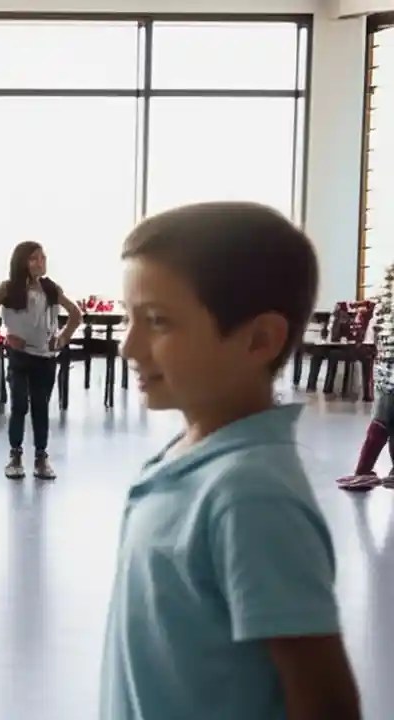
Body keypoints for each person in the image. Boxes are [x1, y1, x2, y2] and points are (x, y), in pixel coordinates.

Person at [101, 202, 361, 720]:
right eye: (128, 317)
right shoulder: (189, 459)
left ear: (260, 339)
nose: (128, 345)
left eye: (156, 321)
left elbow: (324, 698)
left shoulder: (250, 495)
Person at [0, 241, 81, 480]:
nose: (40, 262)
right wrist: (3, 338)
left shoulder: (51, 289)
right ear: (22, 261)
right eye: (34, 258)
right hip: (19, 357)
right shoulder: (8, 288)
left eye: (42, 257)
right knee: (19, 405)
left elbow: (76, 315)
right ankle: (15, 455)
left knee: (41, 408)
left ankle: (41, 458)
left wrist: (62, 339)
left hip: (46, 357)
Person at [336, 261, 394, 491]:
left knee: (384, 419)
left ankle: (364, 471)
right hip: (388, 363)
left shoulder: (387, 291)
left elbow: (379, 327)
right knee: (384, 419)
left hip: (385, 362)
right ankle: (364, 471)